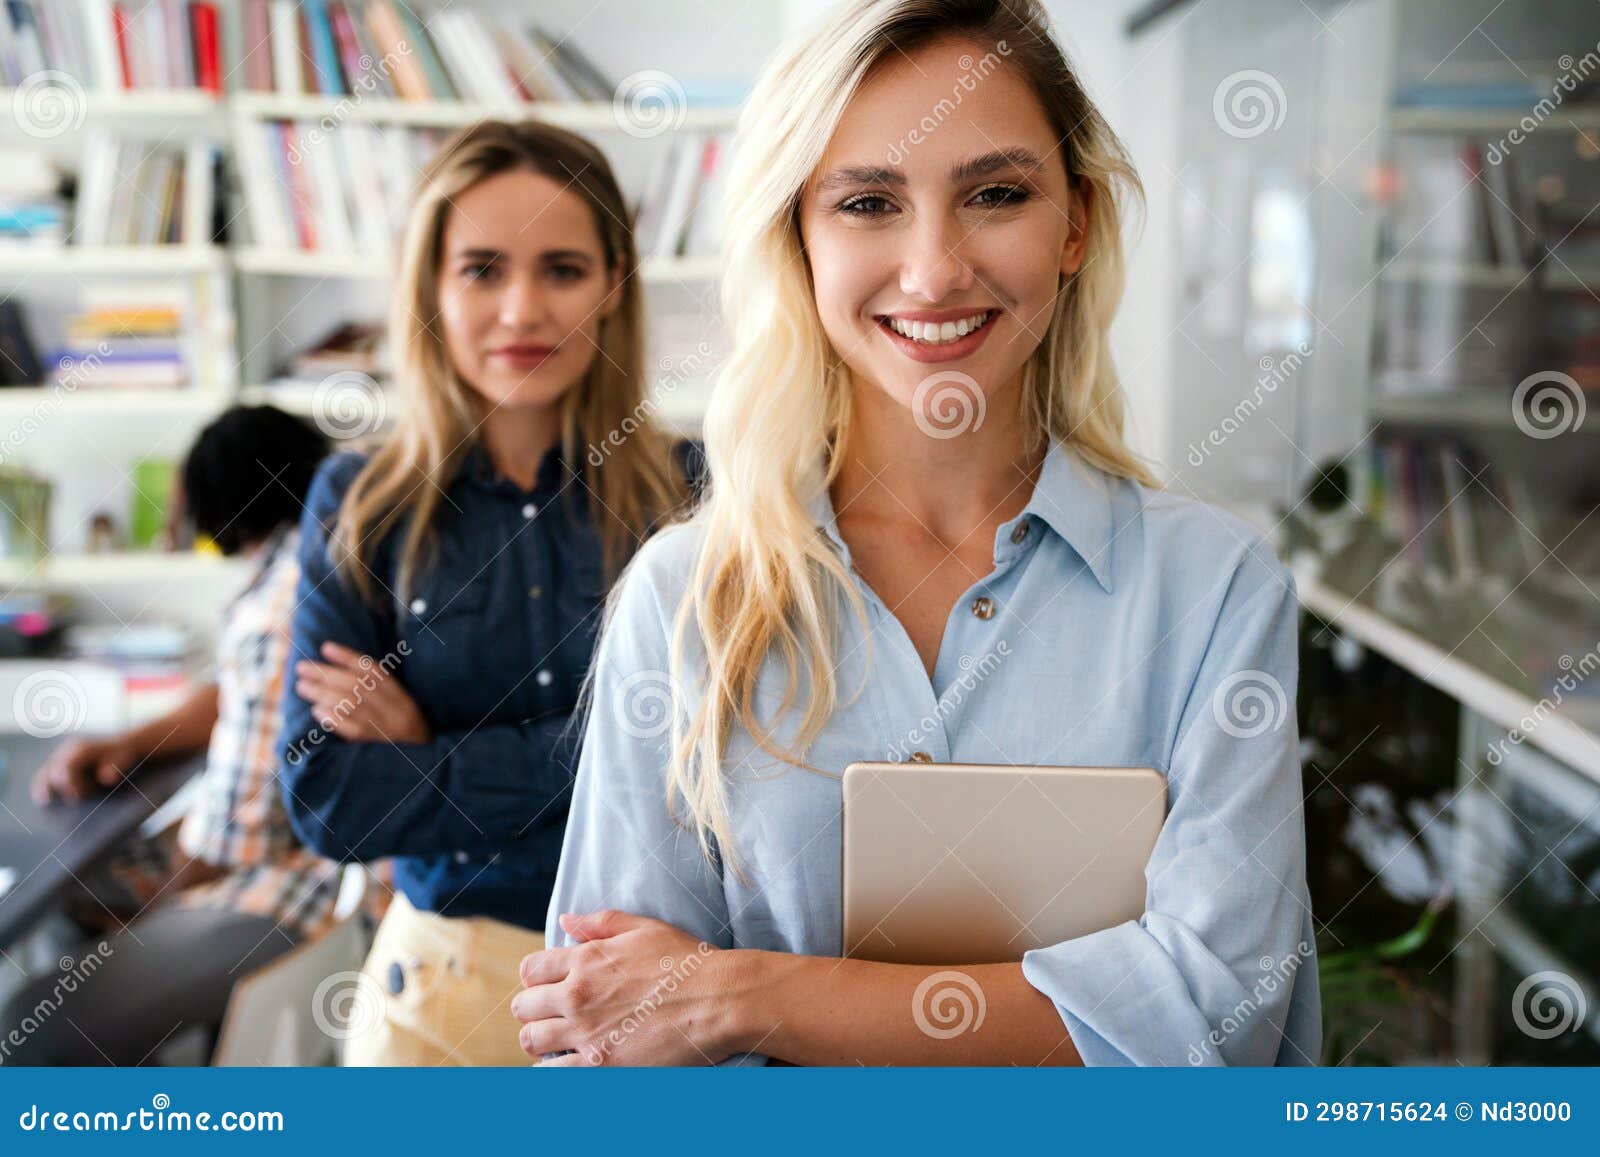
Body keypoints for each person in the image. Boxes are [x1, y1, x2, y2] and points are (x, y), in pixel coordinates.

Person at [516, 0, 1321, 1067]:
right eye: (866, 203)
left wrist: (743, 993)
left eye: (995, 193)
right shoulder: (683, 597)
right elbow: (609, 1037)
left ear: (1073, 222)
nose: (935, 269)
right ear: (795, 237)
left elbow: (1218, 1013)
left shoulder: (1211, 589)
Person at [278, 119, 697, 1067]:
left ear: (614, 286)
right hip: (440, 1001)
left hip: (659, 994)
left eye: (561, 268)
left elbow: (723, 765)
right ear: (429, 287)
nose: (522, 310)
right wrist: (611, 753)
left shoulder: (695, 493)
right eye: (480, 269)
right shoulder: (360, 505)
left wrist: (430, 752)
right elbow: (328, 797)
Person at [4, 405, 341, 1065]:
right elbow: (240, 695)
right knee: (75, 910)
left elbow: (233, 839)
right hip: (297, 878)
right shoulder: (306, 564)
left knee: (23, 1028)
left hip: (273, 896)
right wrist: (135, 741)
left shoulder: (279, 610)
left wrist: (147, 917)